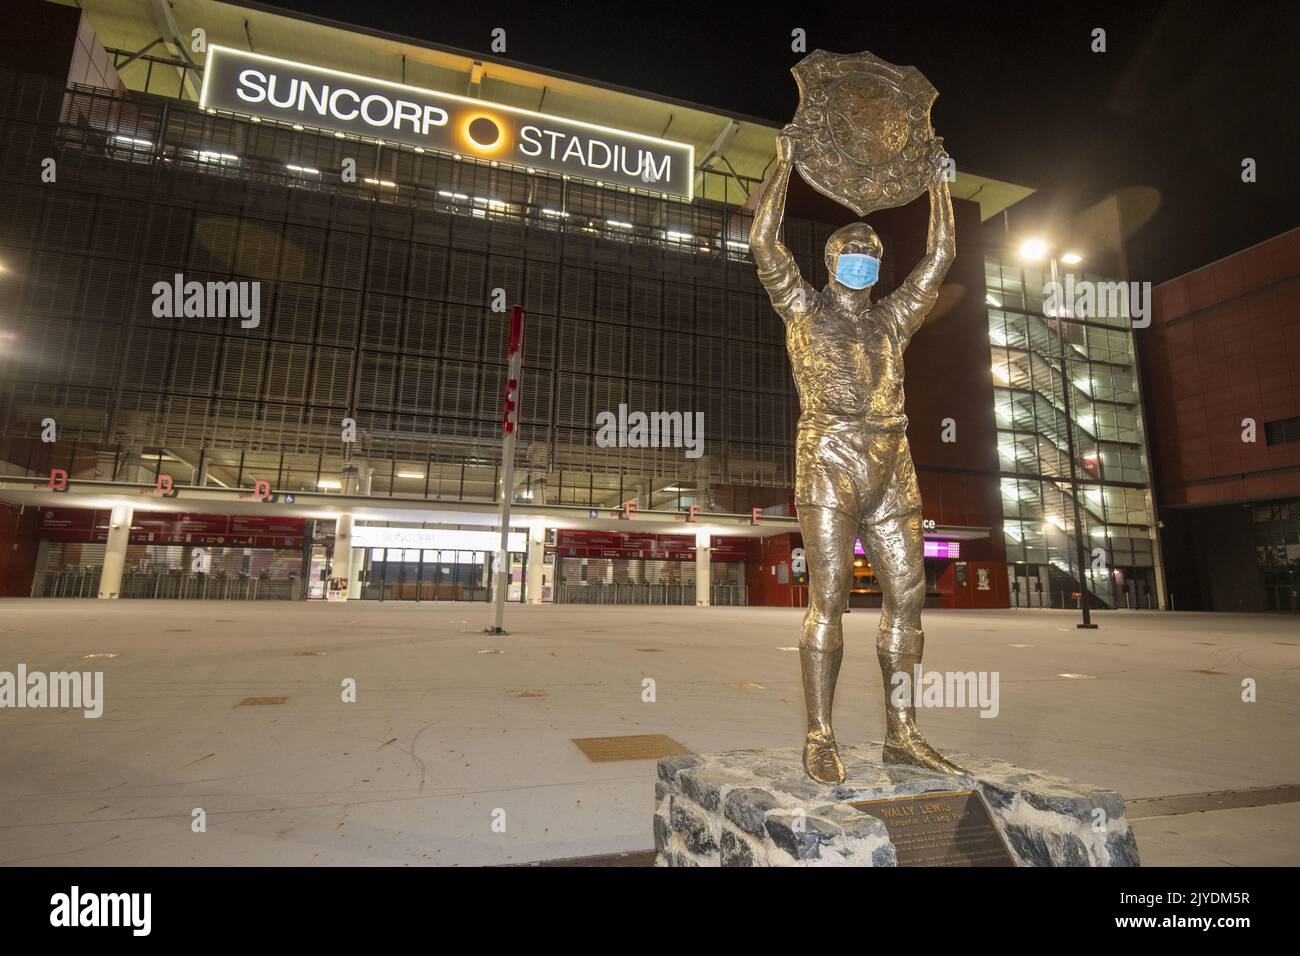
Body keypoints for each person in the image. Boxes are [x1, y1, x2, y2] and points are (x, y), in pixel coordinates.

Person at [749, 130, 962, 784]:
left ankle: (903, 732)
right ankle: (819, 733)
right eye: (853, 251)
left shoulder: (893, 319)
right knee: (832, 595)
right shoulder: (803, 309)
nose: (865, 258)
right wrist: (782, 167)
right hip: (830, 461)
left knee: (908, 596)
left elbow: (943, 253)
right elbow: (763, 243)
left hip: (892, 461)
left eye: (873, 252)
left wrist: (940, 181)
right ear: (832, 260)